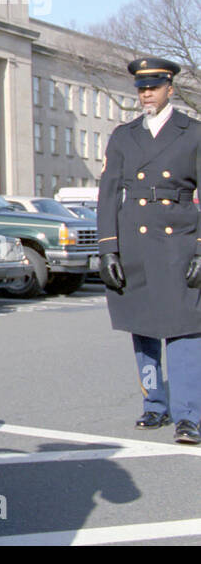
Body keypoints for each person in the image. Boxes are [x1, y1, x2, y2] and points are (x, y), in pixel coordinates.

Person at [97, 57, 201, 444]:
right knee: (143, 328)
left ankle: (190, 416)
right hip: (135, 241)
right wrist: (108, 248)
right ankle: (154, 405)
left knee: (185, 329)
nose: (147, 95)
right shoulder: (123, 136)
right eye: (142, 88)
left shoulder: (193, 133)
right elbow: (107, 193)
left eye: (154, 87)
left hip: (179, 240)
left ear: (170, 88)